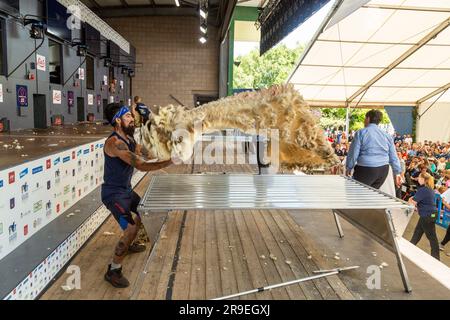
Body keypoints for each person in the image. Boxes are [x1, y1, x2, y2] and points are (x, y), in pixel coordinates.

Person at [102, 103, 174, 288]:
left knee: (145, 211)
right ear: (117, 120)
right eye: (127, 117)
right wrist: (169, 163)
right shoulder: (114, 143)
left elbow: (147, 155)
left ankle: (130, 243)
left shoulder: (129, 139)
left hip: (125, 190)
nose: (132, 119)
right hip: (113, 195)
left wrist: (170, 151)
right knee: (131, 229)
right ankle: (113, 270)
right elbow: (141, 165)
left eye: (131, 116)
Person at [345, 109, 402, 189]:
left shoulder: (361, 133)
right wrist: (397, 173)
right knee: (372, 195)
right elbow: (393, 156)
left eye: (365, 118)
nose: (364, 121)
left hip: (366, 169)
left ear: (368, 118)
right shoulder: (387, 135)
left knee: (357, 194)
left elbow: (354, 152)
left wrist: (349, 167)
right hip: (383, 170)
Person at [409, 172, 440, 260]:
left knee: (432, 236)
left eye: (419, 177)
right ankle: (410, 246)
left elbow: (413, 202)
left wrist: (410, 200)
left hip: (427, 215)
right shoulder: (429, 189)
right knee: (418, 232)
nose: (418, 179)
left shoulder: (423, 190)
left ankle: (436, 258)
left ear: (423, 179)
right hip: (430, 214)